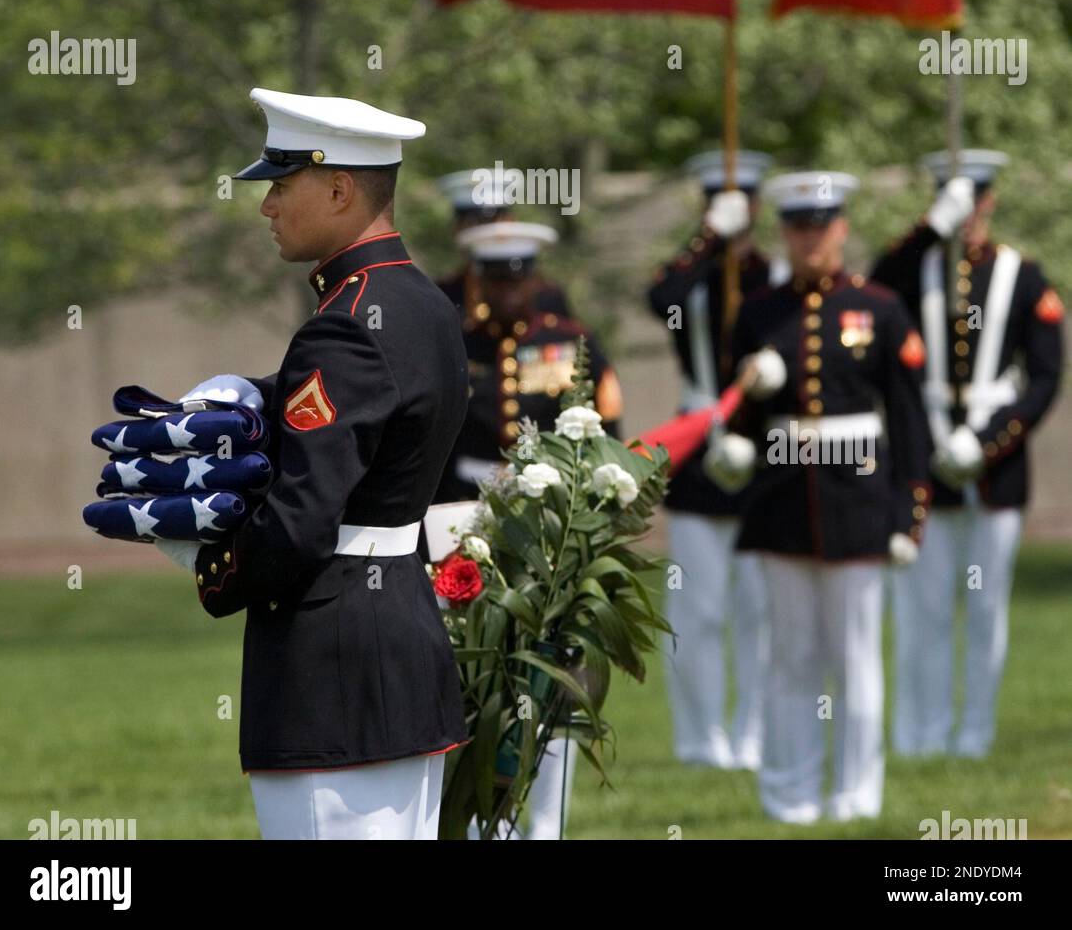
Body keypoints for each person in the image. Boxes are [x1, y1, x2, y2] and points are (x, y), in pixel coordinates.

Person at [159, 87, 470, 840]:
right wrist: (260, 397)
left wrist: (209, 558)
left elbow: (299, 526)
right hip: (396, 640)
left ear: (338, 189)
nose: (267, 205)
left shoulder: (345, 328)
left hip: (334, 665)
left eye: (281, 182)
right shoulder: (422, 303)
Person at [711, 172, 933, 823]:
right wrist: (744, 409)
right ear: (784, 231)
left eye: (821, 225)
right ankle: (790, 791)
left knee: (856, 656)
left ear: (841, 229)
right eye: (798, 226)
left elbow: (910, 421)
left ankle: (857, 795)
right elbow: (739, 416)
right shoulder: (757, 311)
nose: (810, 238)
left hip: (859, 502)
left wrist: (909, 514)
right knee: (790, 656)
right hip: (783, 501)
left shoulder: (882, 309)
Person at [871, 150, 1064, 758]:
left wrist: (987, 442)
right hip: (925, 459)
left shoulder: (1024, 277)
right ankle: (921, 736)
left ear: (991, 201)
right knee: (922, 609)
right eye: (957, 201)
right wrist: (932, 225)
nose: (969, 215)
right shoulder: (917, 270)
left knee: (985, 612)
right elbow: (873, 286)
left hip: (994, 468)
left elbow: (1045, 378)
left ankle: (974, 735)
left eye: (975, 200)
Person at [434, 219, 622, 839]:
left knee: (554, 671)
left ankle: (548, 824)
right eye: (493, 280)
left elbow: (604, 439)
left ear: (536, 279)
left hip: (552, 530)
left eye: (517, 280)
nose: (507, 292)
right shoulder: (455, 344)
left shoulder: (572, 344)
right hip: (467, 523)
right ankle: (492, 819)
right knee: (479, 670)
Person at [646, 149, 779, 770]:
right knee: (696, 611)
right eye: (721, 205)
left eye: (742, 204)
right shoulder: (691, 283)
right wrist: (708, 239)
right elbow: (660, 295)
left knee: (759, 610)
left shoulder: (774, 279)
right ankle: (701, 740)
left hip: (761, 453)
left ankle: (754, 734)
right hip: (700, 448)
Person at [434, 168, 571, 317]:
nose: (479, 232)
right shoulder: (444, 293)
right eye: (470, 223)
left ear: (510, 222)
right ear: (455, 229)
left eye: (488, 221)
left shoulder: (545, 295)